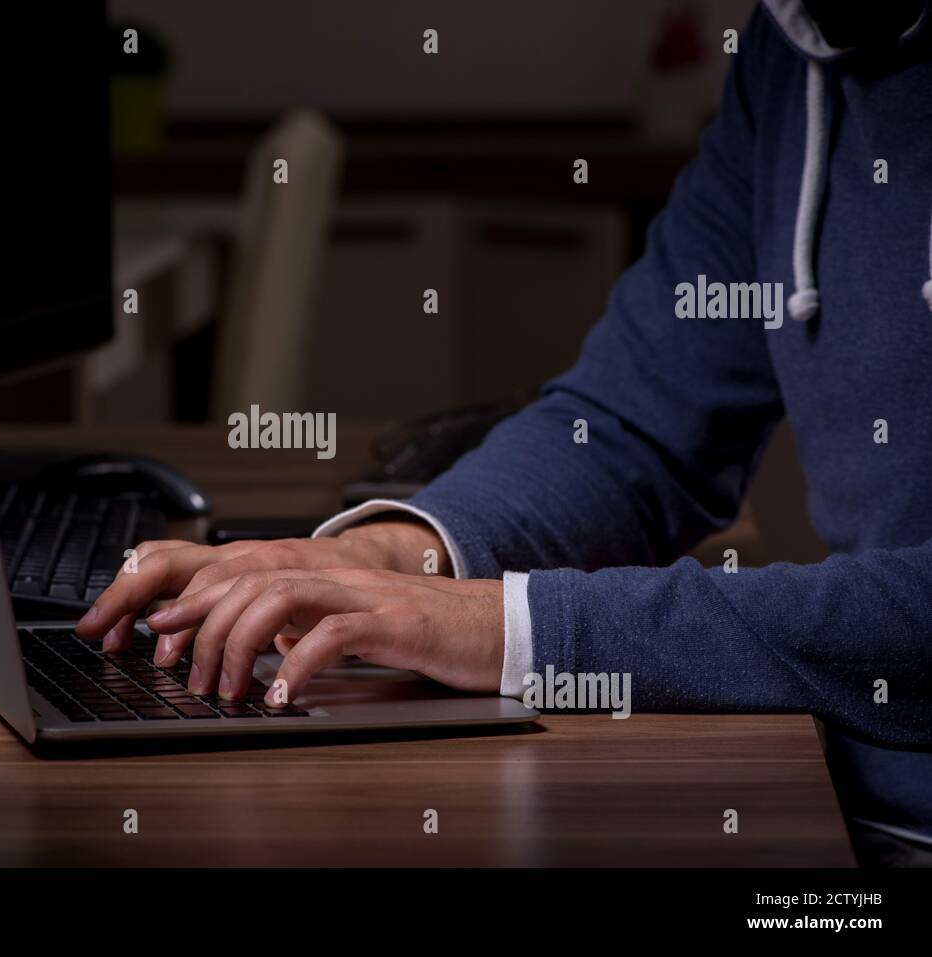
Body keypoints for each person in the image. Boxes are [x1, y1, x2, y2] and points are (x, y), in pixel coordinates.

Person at [78, 0, 932, 865]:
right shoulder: (787, 50)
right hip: (854, 801)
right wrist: (393, 553)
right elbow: (633, 426)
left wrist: (517, 625)